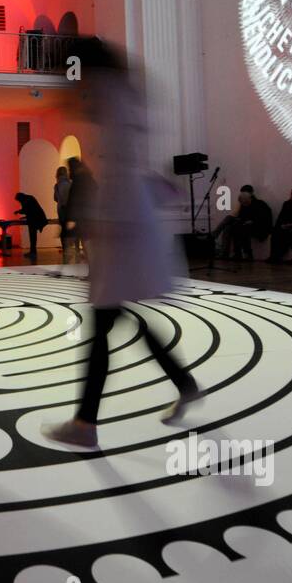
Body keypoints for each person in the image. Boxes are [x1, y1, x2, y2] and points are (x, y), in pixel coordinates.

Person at [43, 40, 202, 449]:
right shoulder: (123, 95)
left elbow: (119, 169)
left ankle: (85, 424)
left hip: (124, 225)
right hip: (132, 221)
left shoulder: (112, 98)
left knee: (105, 320)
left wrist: (100, 227)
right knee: (115, 316)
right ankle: (183, 384)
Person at [214, 185, 272, 260]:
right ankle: (235, 254)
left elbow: (264, 220)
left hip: (259, 227)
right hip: (247, 225)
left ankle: (244, 254)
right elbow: (242, 217)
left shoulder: (260, 204)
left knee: (238, 227)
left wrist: (251, 221)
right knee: (231, 226)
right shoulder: (245, 205)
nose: (244, 205)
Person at [63, 157, 95, 262]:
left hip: (81, 216)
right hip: (88, 215)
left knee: (84, 242)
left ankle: (92, 269)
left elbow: (74, 199)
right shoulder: (88, 178)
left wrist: (71, 218)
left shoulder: (78, 180)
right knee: (86, 242)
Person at [13, 192, 47, 261]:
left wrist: (18, 212)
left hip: (35, 219)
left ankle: (33, 252)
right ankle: (32, 251)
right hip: (35, 218)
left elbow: (26, 210)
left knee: (32, 236)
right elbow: (31, 210)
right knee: (32, 236)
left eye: (19, 200)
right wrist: (25, 216)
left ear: (20, 198)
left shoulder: (27, 200)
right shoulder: (29, 198)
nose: (19, 202)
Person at [53, 166, 72, 257]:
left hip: (61, 209)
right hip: (70, 208)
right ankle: (73, 248)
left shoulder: (57, 185)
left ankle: (65, 249)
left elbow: (55, 198)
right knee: (71, 228)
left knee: (63, 229)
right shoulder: (70, 183)